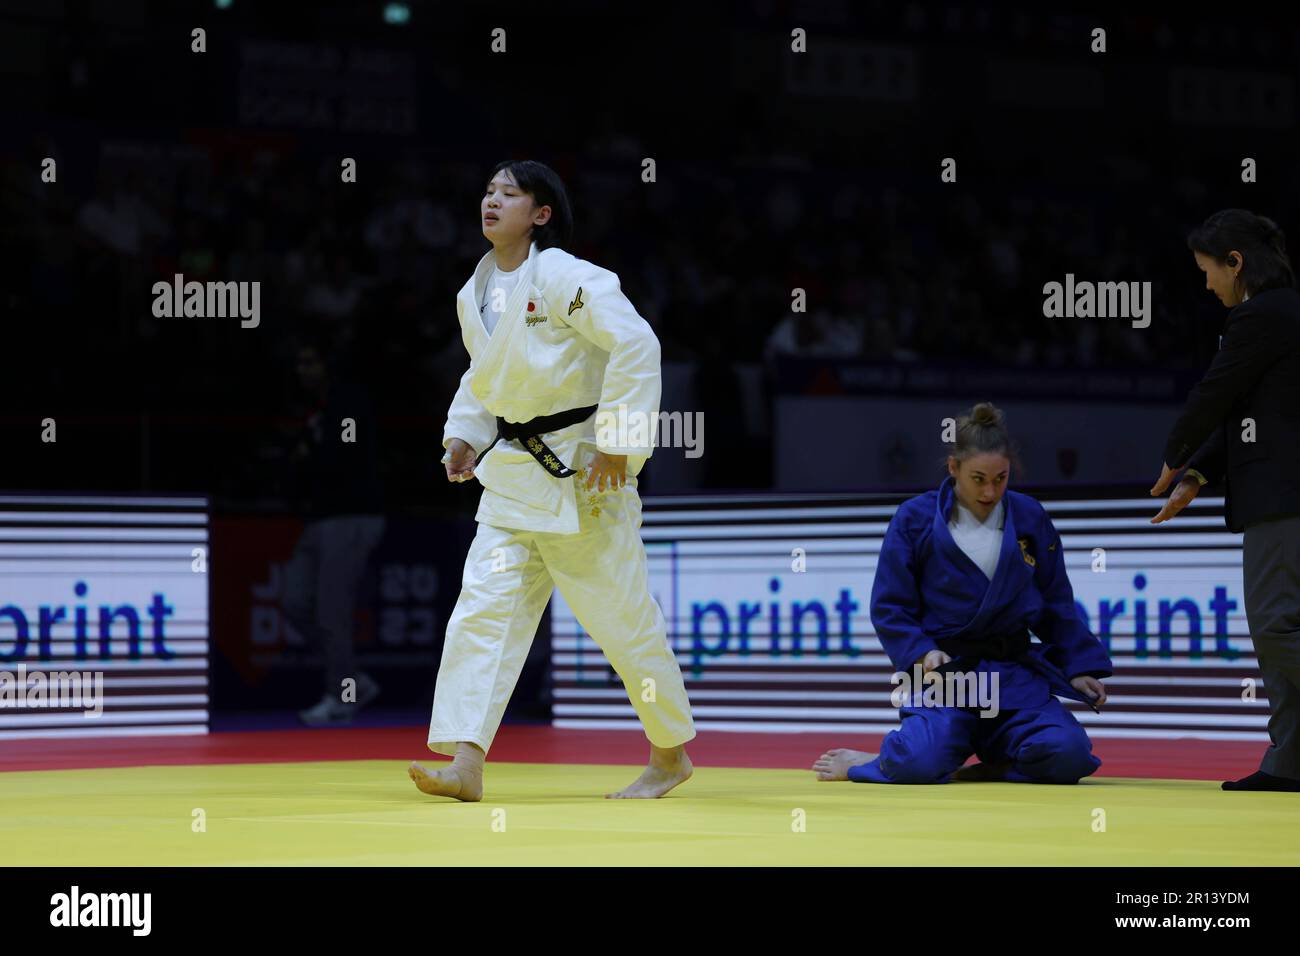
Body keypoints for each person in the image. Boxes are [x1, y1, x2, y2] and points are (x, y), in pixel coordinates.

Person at [408, 160, 695, 801]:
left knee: (623, 625)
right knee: (482, 612)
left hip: (581, 474)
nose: (491, 201)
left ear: (540, 214)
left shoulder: (565, 276)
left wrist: (617, 445)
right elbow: (487, 378)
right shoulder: (473, 293)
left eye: (509, 194)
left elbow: (637, 343)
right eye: (486, 191)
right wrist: (466, 436)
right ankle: (467, 763)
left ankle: (669, 755)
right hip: (511, 477)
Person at [813, 402, 1112, 784]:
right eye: (978, 478)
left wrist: (1078, 667)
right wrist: (922, 652)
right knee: (916, 764)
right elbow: (891, 607)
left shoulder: (1030, 518)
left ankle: (995, 766)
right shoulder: (914, 520)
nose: (990, 491)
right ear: (953, 468)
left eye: (1001, 478)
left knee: (1068, 755)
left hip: (1011, 678)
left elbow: (1055, 602)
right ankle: (880, 757)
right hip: (948, 679)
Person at [1151, 209, 1300, 792]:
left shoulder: (1261, 315)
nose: (1207, 284)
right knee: (1286, 625)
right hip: (1281, 493)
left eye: (1208, 270)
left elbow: (1215, 394)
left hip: (1282, 499)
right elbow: (1249, 415)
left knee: (1272, 627)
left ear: (1236, 263)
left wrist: (1174, 452)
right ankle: (1289, 763)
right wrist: (1199, 473)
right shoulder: (1284, 315)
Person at [284, 335, 387, 725]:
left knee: (332, 612)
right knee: (296, 603)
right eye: (299, 363)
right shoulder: (313, 407)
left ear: (328, 364)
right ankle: (355, 681)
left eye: (311, 362)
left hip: (351, 517)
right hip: (319, 519)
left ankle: (341, 696)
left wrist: (311, 452)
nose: (303, 370)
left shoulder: (348, 403)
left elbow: (348, 453)